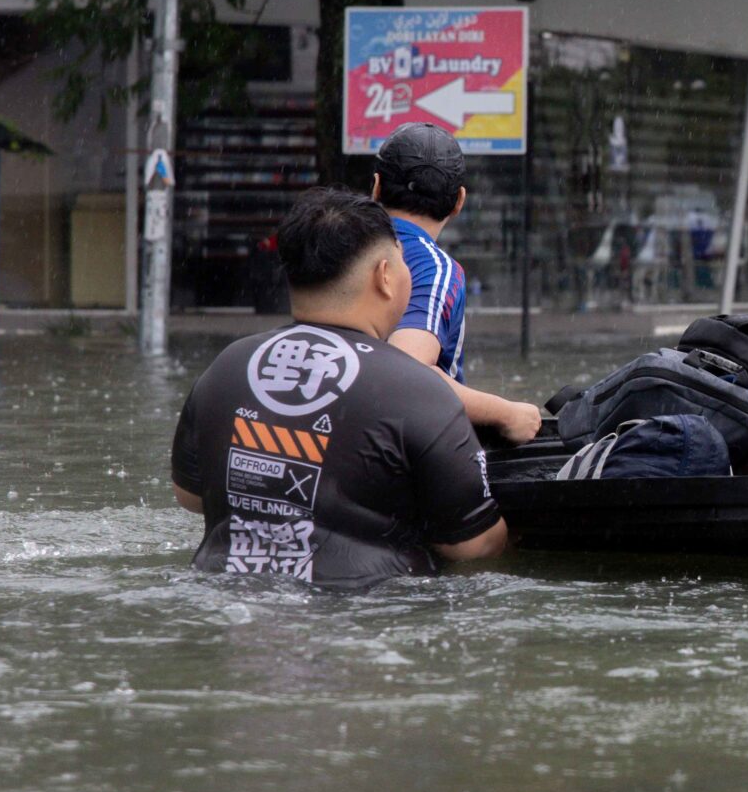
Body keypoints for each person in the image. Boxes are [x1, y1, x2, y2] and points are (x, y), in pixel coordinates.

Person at [171, 187, 509, 589]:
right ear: (384, 276)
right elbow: (476, 546)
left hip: (224, 595)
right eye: (402, 261)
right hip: (368, 613)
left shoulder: (226, 367)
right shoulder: (417, 389)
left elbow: (190, 496)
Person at [370, 123, 542, 444]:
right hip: (408, 450)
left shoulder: (345, 245)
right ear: (459, 200)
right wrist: (506, 413)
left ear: (376, 186)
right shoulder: (434, 268)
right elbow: (409, 374)